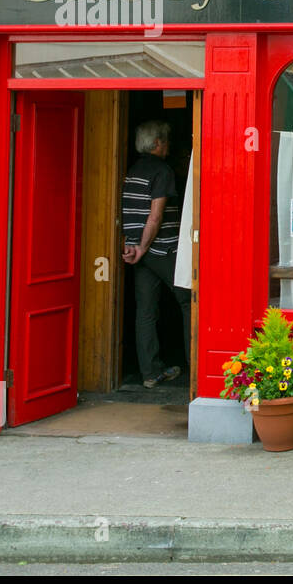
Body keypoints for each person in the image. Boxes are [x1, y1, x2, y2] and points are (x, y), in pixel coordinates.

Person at [122, 119, 191, 389]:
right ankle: (196, 367)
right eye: (166, 140)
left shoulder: (132, 170)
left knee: (146, 311)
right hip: (162, 249)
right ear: (158, 143)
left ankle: (150, 372)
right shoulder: (162, 170)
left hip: (140, 254)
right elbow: (155, 215)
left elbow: (130, 212)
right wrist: (144, 246)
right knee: (189, 301)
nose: (168, 145)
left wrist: (133, 246)